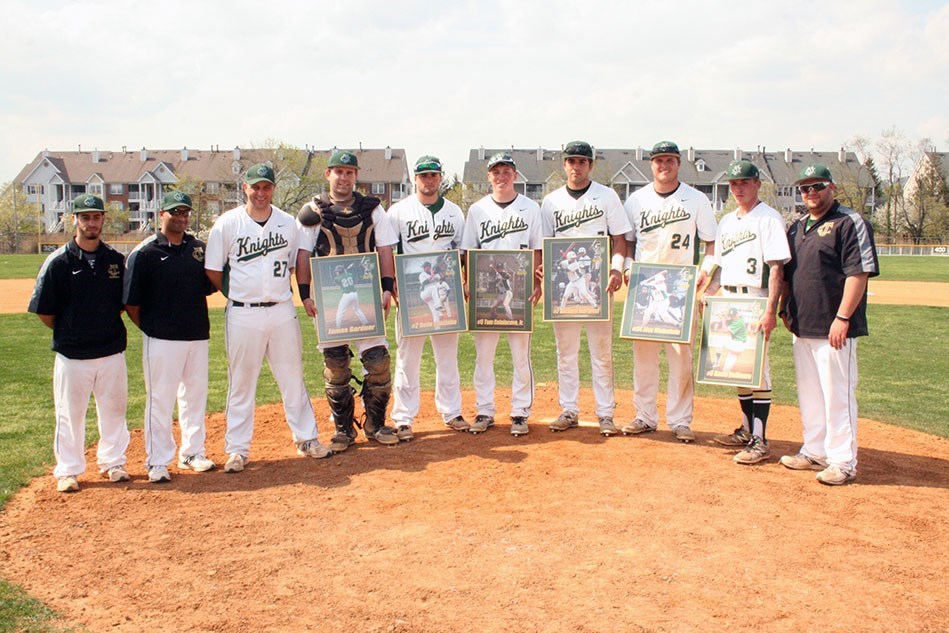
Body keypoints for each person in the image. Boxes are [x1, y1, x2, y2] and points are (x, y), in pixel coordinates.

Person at [205, 163, 329, 474]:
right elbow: (213, 269)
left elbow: (293, 264)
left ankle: (306, 438)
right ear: (245, 187)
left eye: (266, 187)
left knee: (292, 377)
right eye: (255, 187)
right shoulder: (227, 223)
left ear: (273, 189)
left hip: (281, 310)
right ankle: (237, 449)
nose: (261, 192)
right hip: (243, 313)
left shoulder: (288, 224)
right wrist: (236, 293)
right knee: (242, 384)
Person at [779, 164, 879, 485]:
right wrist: (785, 310)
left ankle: (843, 460)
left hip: (834, 326)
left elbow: (858, 273)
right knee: (810, 393)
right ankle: (814, 450)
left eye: (817, 186)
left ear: (831, 187)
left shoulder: (849, 222)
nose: (811, 193)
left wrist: (843, 317)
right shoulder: (797, 228)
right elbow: (787, 275)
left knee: (838, 393)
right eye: (805, 188)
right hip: (802, 325)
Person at [296, 150, 401, 452]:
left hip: (367, 294)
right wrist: (304, 294)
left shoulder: (373, 209)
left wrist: (386, 287)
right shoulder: (312, 211)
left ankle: (375, 424)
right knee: (337, 364)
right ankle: (343, 430)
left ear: (356, 176)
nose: (344, 177)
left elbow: (384, 250)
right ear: (328, 174)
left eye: (349, 172)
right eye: (338, 171)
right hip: (329, 299)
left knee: (378, 362)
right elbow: (303, 254)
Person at [28, 193, 131, 492]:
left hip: (111, 350)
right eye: (85, 217)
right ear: (74, 220)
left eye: (96, 217)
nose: (91, 222)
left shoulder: (115, 260)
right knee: (69, 414)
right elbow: (45, 312)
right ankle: (68, 469)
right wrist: (71, 331)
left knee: (114, 410)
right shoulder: (58, 262)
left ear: (103, 220)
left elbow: (123, 303)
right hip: (73, 355)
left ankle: (113, 462)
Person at [622, 141, 718, 442]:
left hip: (681, 287)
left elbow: (711, 242)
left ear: (678, 163)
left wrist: (705, 270)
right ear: (651, 164)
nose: (664, 166)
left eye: (670, 160)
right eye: (659, 160)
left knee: (680, 357)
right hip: (644, 286)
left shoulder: (696, 199)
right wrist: (626, 267)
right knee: (644, 357)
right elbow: (626, 241)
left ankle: (679, 420)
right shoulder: (636, 200)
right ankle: (645, 415)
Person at [124, 191, 217, 483]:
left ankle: (192, 453)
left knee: (194, 396)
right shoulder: (145, 252)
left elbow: (208, 286)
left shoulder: (197, 248)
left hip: (196, 334)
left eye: (185, 212)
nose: (181, 217)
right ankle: (157, 461)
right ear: (161, 213)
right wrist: (153, 328)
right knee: (160, 400)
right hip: (161, 339)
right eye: (175, 211)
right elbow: (131, 303)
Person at [540, 141, 630, 436]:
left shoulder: (607, 196)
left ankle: (605, 413)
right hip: (563, 286)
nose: (576, 166)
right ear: (564, 165)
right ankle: (569, 409)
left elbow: (619, 238)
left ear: (590, 165)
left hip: (598, 284)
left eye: (581, 161)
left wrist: (616, 267)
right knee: (565, 352)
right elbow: (545, 245)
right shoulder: (551, 202)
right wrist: (542, 269)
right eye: (571, 161)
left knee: (601, 352)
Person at [704, 159, 791, 465]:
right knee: (739, 368)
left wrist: (770, 311)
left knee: (758, 371)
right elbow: (722, 267)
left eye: (745, 182)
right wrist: (710, 292)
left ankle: (761, 438)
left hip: (755, 299)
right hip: (729, 301)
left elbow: (777, 267)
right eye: (734, 183)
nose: (739, 188)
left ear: (757, 184)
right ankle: (745, 429)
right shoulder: (727, 221)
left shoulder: (769, 219)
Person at [461, 152, 543, 436]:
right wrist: (468, 282)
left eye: (506, 170)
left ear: (515, 175)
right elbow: (468, 251)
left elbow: (537, 249)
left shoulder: (531, 208)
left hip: (519, 286)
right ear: (489, 176)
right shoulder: (477, 210)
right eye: (496, 171)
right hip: (487, 286)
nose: (501, 176)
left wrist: (536, 282)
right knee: (484, 355)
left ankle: (520, 412)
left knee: (521, 355)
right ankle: (484, 410)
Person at [387, 155, 467, 440]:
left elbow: (463, 252)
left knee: (447, 356)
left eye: (433, 175)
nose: (428, 180)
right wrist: (390, 281)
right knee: (408, 357)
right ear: (415, 179)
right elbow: (387, 250)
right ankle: (403, 418)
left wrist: (464, 282)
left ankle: (452, 411)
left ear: (440, 178)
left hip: (447, 291)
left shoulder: (455, 212)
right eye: (423, 175)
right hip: (412, 293)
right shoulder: (398, 211)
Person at [334, 262, 370, 327]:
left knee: (340, 311)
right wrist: (345, 273)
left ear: (339, 272)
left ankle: (337, 326)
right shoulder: (350, 274)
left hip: (346, 295)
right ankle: (365, 322)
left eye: (337, 271)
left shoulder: (337, 278)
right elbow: (349, 277)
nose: (336, 272)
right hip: (355, 294)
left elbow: (339, 279)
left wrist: (343, 273)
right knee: (357, 309)